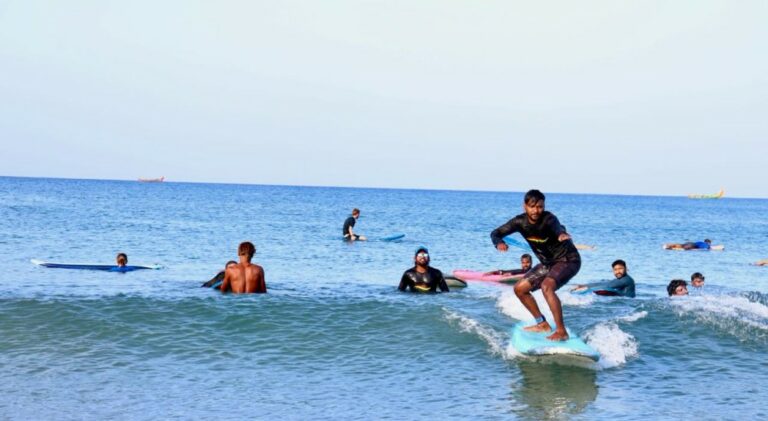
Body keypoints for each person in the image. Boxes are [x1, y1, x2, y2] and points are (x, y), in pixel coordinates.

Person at [490, 189, 581, 341]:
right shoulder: (519, 222)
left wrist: (561, 234)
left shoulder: (549, 218)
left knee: (547, 287)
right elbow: (495, 233)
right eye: (532, 206)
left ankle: (561, 331)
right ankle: (542, 324)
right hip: (548, 263)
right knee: (520, 289)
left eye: (540, 207)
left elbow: (557, 227)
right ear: (525, 206)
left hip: (568, 259)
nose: (536, 211)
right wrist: (498, 242)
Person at [571, 259, 636, 297]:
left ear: (626, 269)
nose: (618, 271)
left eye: (620, 268)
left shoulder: (626, 280)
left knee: (596, 291)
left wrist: (585, 287)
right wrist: (583, 285)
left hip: (626, 302)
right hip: (623, 299)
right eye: (615, 270)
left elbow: (608, 285)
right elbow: (608, 283)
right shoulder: (622, 279)